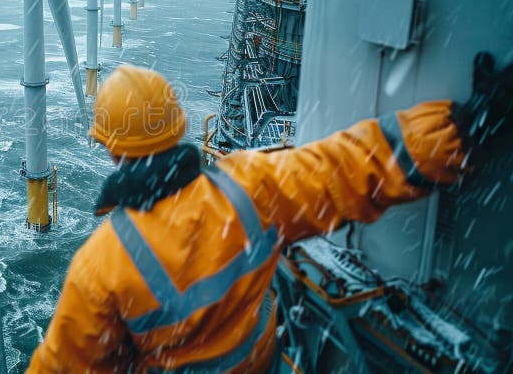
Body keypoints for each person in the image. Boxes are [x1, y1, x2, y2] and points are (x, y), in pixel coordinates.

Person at [27, 56, 512, 372]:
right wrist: (459, 130)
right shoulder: (248, 187)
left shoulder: (102, 265)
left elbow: (65, 365)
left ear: (112, 150)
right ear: (177, 128)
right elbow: (347, 166)